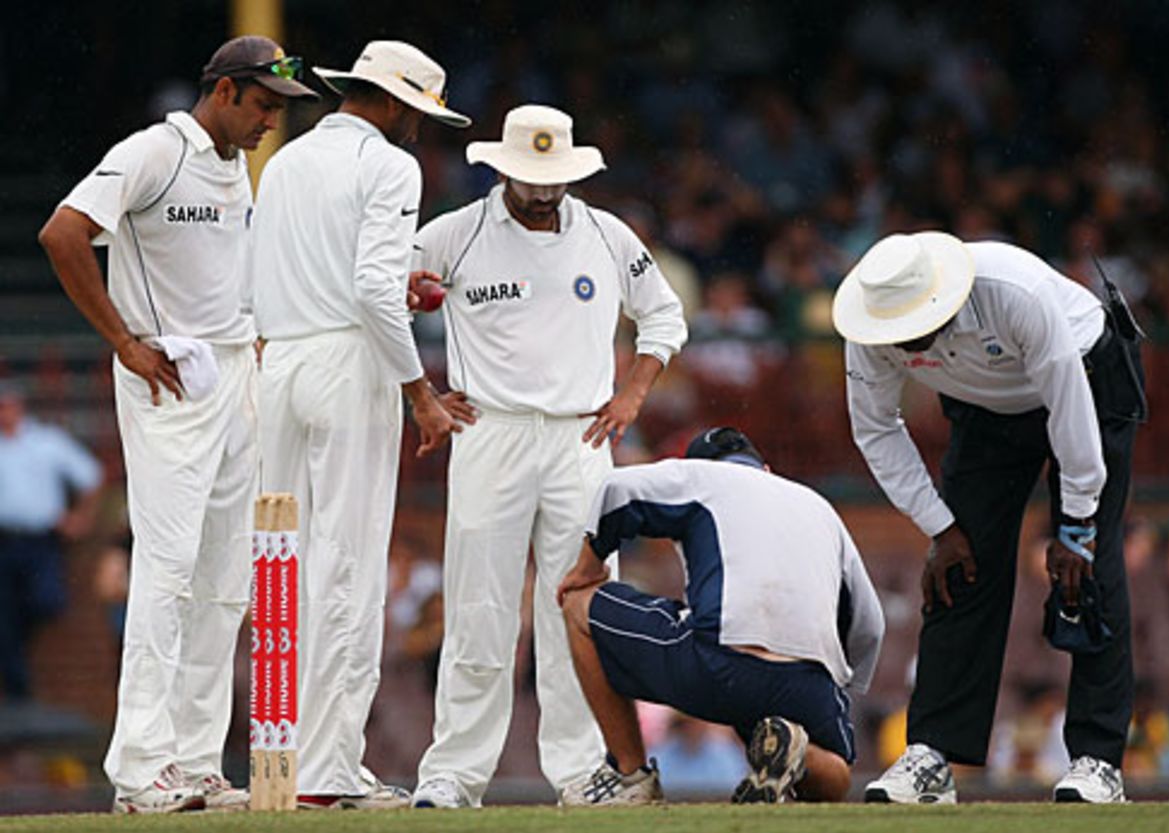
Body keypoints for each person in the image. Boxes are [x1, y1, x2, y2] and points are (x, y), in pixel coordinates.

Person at [38, 35, 318, 814]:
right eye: (263, 105)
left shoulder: (236, 168)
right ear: (224, 92)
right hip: (172, 375)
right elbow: (62, 234)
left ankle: (195, 761)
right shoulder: (154, 151)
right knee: (165, 570)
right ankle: (137, 769)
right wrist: (124, 341)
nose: (270, 122)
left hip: (236, 373)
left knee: (226, 578)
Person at [409, 104, 688, 808]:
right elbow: (382, 298)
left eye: (552, 178)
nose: (540, 192)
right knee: (477, 604)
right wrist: (425, 393)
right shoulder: (454, 233)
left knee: (578, 604)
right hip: (489, 430)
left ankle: (582, 770)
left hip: (581, 437)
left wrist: (632, 394)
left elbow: (665, 314)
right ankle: (454, 773)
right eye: (528, 178)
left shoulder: (605, 232)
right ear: (501, 168)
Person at [832, 232, 1146, 804]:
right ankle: (931, 753)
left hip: (1087, 376)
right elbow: (875, 428)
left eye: (912, 328)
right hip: (986, 408)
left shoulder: (1014, 293)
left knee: (1092, 570)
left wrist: (1075, 529)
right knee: (958, 567)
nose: (901, 344)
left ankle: (1098, 761)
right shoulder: (870, 327)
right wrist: (940, 526)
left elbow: (1071, 409)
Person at [249, 40, 468, 810]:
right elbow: (375, 290)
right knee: (346, 565)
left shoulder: (284, 160)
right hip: (349, 365)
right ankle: (327, 772)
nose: (421, 130)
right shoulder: (391, 165)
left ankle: (280, 764)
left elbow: (286, 277)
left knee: (284, 560)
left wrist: (376, 293)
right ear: (399, 104)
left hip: (279, 363)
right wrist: (422, 396)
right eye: (420, 114)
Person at [555, 427, 885, 805]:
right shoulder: (820, 506)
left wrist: (589, 564)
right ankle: (801, 754)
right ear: (766, 468)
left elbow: (617, 489)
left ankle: (629, 777)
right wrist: (836, 684)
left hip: (721, 660)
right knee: (837, 769)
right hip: (809, 680)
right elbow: (871, 623)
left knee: (580, 605)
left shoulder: (701, 476)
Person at [0, 381, 103, 701]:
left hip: (42, 540)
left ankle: (19, 668)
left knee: (45, 600)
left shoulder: (46, 442)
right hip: (4, 540)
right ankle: (18, 688)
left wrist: (80, 518)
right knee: (5, 615)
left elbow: (90, 475)